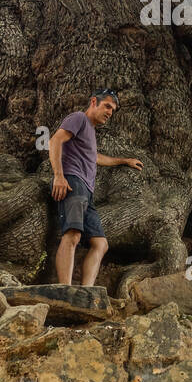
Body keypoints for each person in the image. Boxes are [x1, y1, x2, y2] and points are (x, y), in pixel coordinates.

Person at [49, 89, 142, 286]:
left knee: (101, 243)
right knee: (72, 234)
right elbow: (55, 140)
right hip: (73, 182)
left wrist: (125, 161)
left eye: (113, 110)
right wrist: (59, 176)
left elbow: (96, 157)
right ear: (93, 102)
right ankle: (65, 289)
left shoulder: (90, 130)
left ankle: (87, 292)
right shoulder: (78, 118)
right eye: (107, 106)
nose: (110, 112)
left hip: (87, 192)